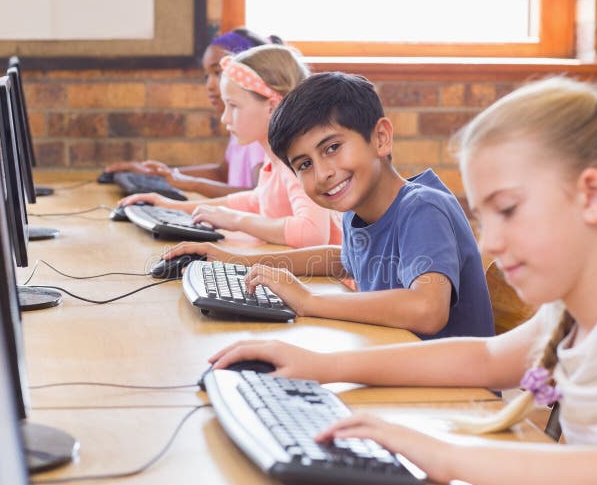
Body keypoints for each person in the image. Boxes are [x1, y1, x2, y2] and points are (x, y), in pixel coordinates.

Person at [207, 77, 597, 485]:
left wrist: (445, 455)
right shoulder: (570, 313)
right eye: (486, 218)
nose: (492, 243)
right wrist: (322, 366)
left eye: (508, 210)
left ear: (591, 195)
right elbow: (482, 358)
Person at [163, 73, 493, 339]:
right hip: (400, 371)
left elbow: (428, 309)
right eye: (304, 164)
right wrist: (240, 262)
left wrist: (310, 300)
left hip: (454, 400)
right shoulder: (358, 213)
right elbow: (343, 260)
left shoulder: (423, 209)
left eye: (332, 147)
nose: (323, 173)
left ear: (380, 138)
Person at [119, 45, 342, 249]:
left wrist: (235, 220)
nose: (225, 118)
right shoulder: (274, 157)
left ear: (272, 106)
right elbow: (257, 200)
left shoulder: (298, 161)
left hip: (331, 286)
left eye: (233, 106)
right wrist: (168, 206)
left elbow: (313, 234)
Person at [106, 29, 272, 197]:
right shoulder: (240, 124)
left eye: (218, 72)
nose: (209, 85)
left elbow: (259, 197)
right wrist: (165, 175)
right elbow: (222, 173)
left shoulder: (257, 131)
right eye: (206, 75)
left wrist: (192, 185)